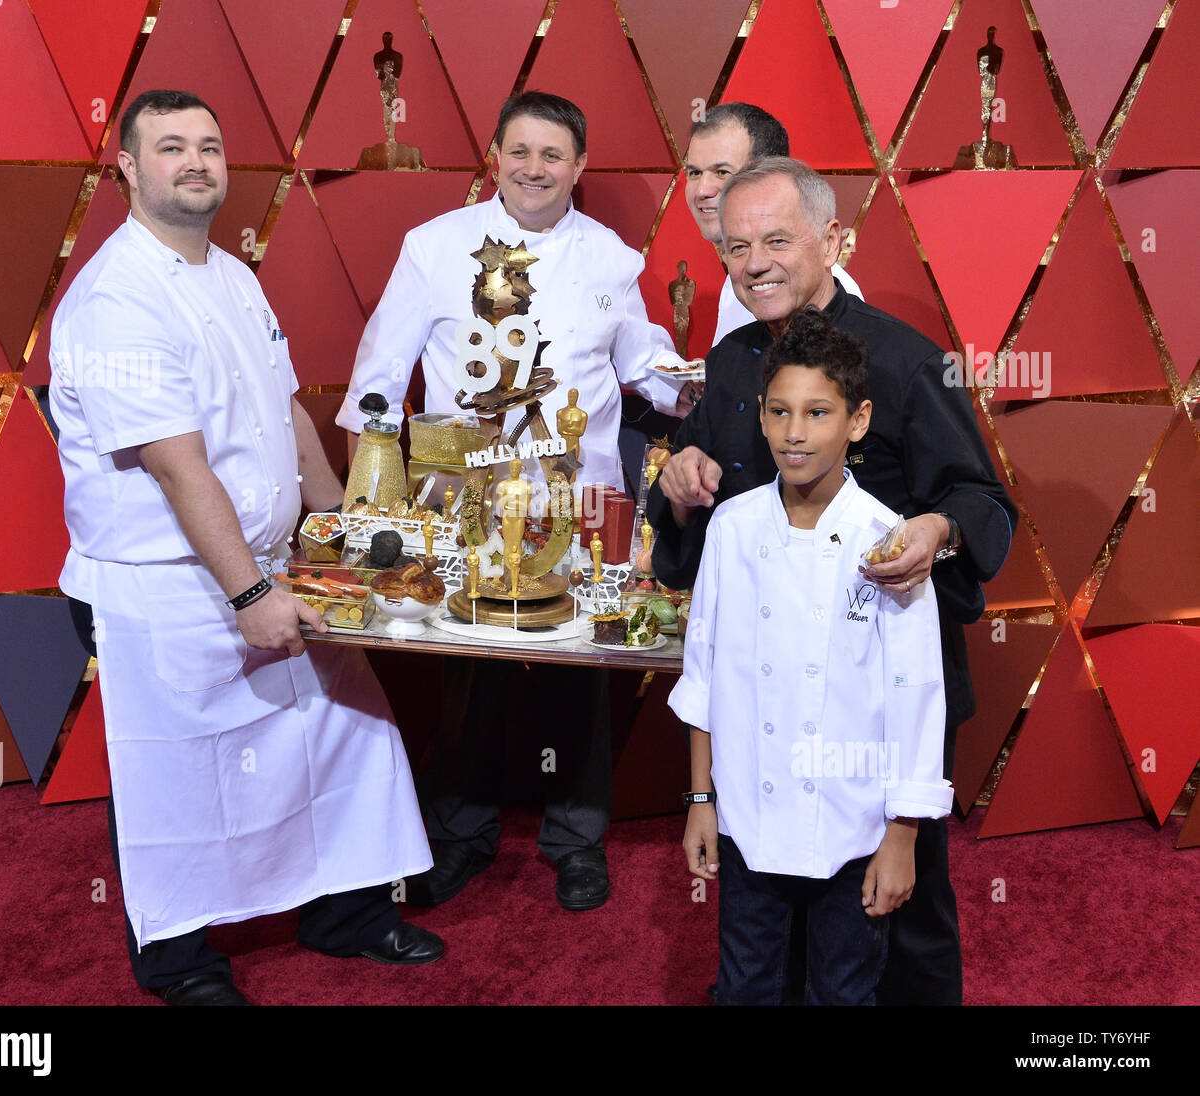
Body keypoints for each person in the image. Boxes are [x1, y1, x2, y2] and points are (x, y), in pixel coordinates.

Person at [49, 89, 440, 1006]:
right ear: (127, 170)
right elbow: (179, 468)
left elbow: (287, 413)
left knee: (345, 733)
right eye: (171, 146)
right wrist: (249, 597)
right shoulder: (117, 297)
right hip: (166, 589)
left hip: (265, 566)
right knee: (178, 776)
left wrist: (349, 531)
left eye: (210, 145)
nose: (196, 160)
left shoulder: (233, 272)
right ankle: (180, 965)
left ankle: (344, 913)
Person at [651, 157, 1017, 1005]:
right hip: (767, 710)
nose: (755, 263)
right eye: (736, 247)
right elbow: (702, 527)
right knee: (766, 923)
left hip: (881, 694)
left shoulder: (906, 361)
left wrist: (938, 528)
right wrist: (679, 482)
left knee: (901, 917)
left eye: (778, 240)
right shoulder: (736, 361)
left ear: (833, 240)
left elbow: (982, 501)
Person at [338, 91, 695, 911]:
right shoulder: (433, 247)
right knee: (470, 662)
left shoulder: (611, 257)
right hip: (468, 493)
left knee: (582, 666)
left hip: (580, 500)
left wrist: (701, 384)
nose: (535, 169)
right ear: (495, 154)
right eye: (521, 151)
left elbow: (642, 361)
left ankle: (576, 836)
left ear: (579, 166)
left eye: (554, 156)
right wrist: (371, 496)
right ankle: (462, 831)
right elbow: (378, 379)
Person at [673, 308, 953, 1005]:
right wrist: (702, 802)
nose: (796, 433)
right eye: (780, 412)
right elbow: (704, 679)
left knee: (844, 992)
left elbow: (916, 698)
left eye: (818, 412)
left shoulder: (888, 542)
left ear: (857, 421)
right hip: (748, 821)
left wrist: (902, 837)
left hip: (854, 825)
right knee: (744, 988)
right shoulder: (732, 531)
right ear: (761, 418)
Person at [681, 102, 862, 345]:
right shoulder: (739, 278)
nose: (702, 190)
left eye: (722, 172)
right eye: (694, 173)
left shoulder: (830, 292)